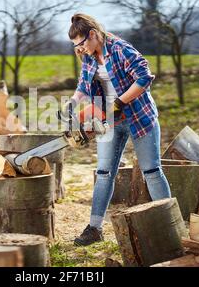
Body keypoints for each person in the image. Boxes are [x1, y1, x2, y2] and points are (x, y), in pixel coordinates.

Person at [62, 13, 172, 246]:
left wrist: (120, 102)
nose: (79, 49)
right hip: (109, 121)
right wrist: (71, 103)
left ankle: (170, 224)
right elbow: (83, 84)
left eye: (81, 44)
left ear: (93, 35)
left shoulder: (121, 49)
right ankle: (94, 228)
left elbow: (144, 77)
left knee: (151, 171)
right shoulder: (89, 56)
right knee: (103, 174)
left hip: (138, 117)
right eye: (75, 46)